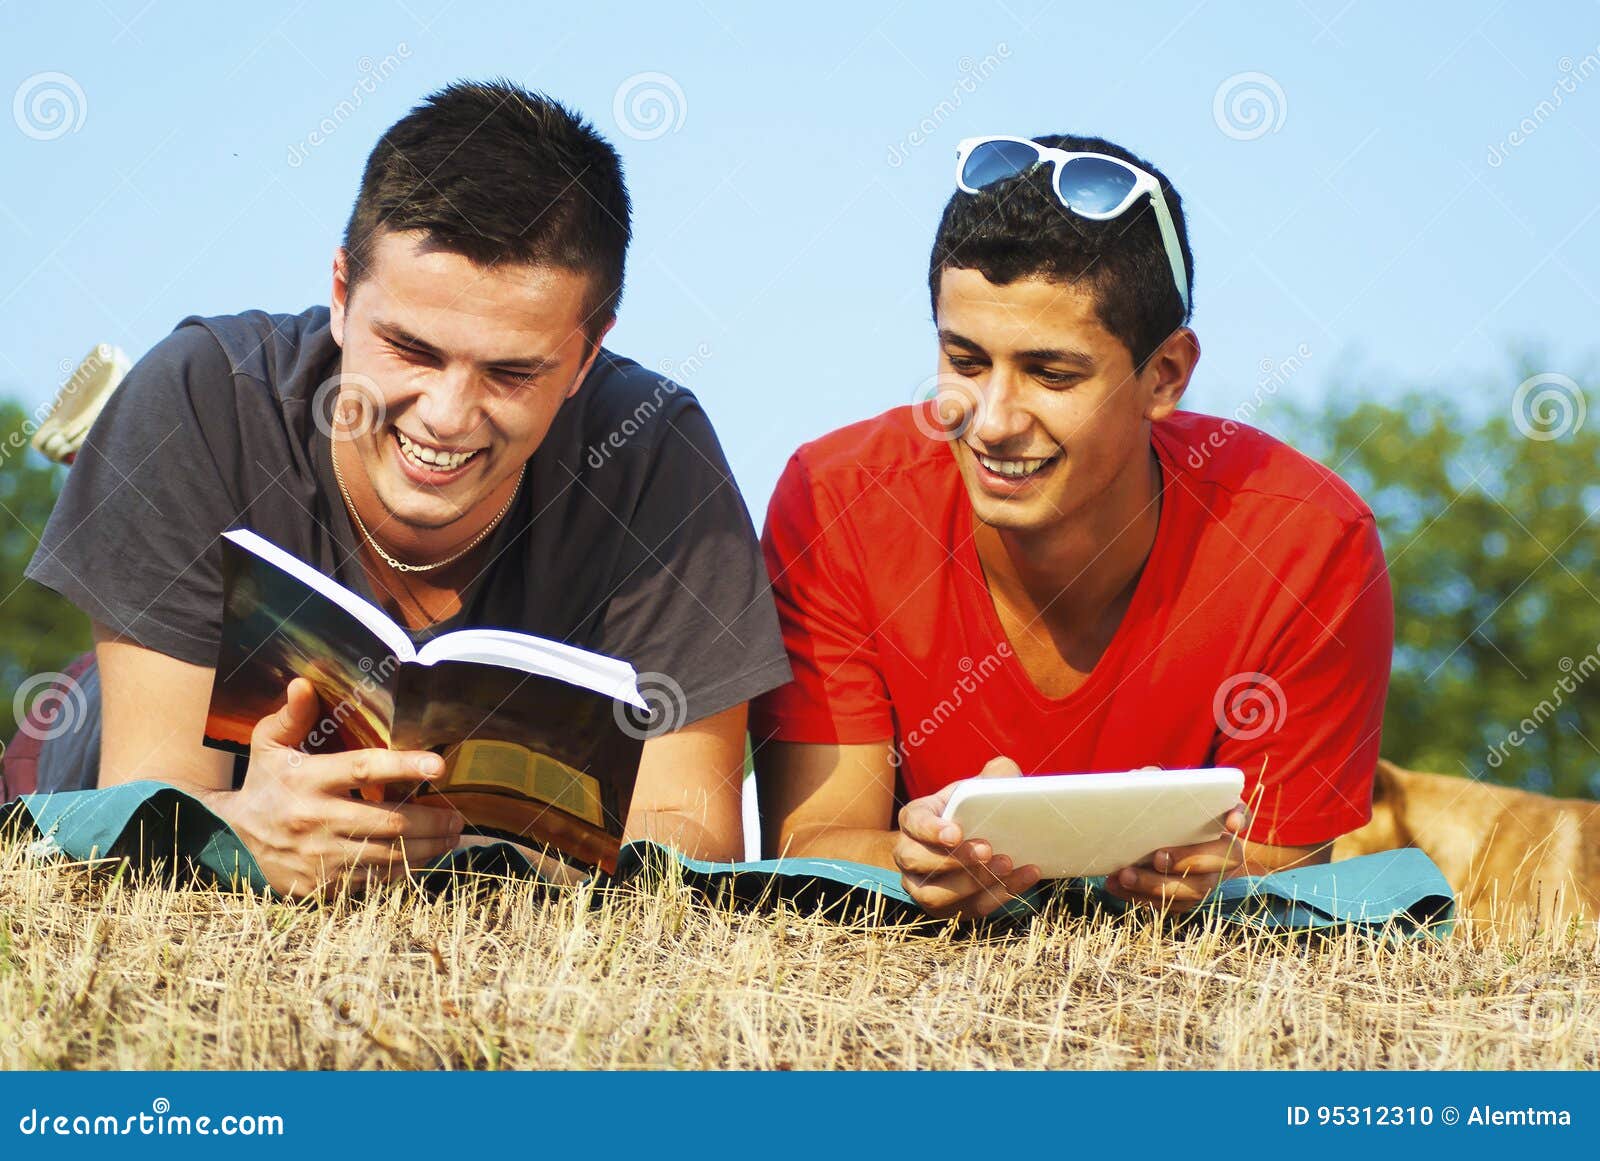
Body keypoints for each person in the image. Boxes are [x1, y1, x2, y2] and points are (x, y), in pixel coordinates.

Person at [17, 81, 791, 897]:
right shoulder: (199, 395)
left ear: (588, 355)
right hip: (87, 739)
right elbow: (148, 793)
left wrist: (466, 857)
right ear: (344, 294)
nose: (449, 416)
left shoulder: (653, 453)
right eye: (412, 351)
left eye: (512, 371)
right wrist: (239, 830)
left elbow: (695, 847)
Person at [751, 133, 1393, 920]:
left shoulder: (1311, 543)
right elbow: (811, 839)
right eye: (966, 360)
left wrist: (1225, 879)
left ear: (1165, 375)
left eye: (1052, 373)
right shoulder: (836, 499)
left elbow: (1285, 880)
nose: (992, 421)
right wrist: (909, 857)